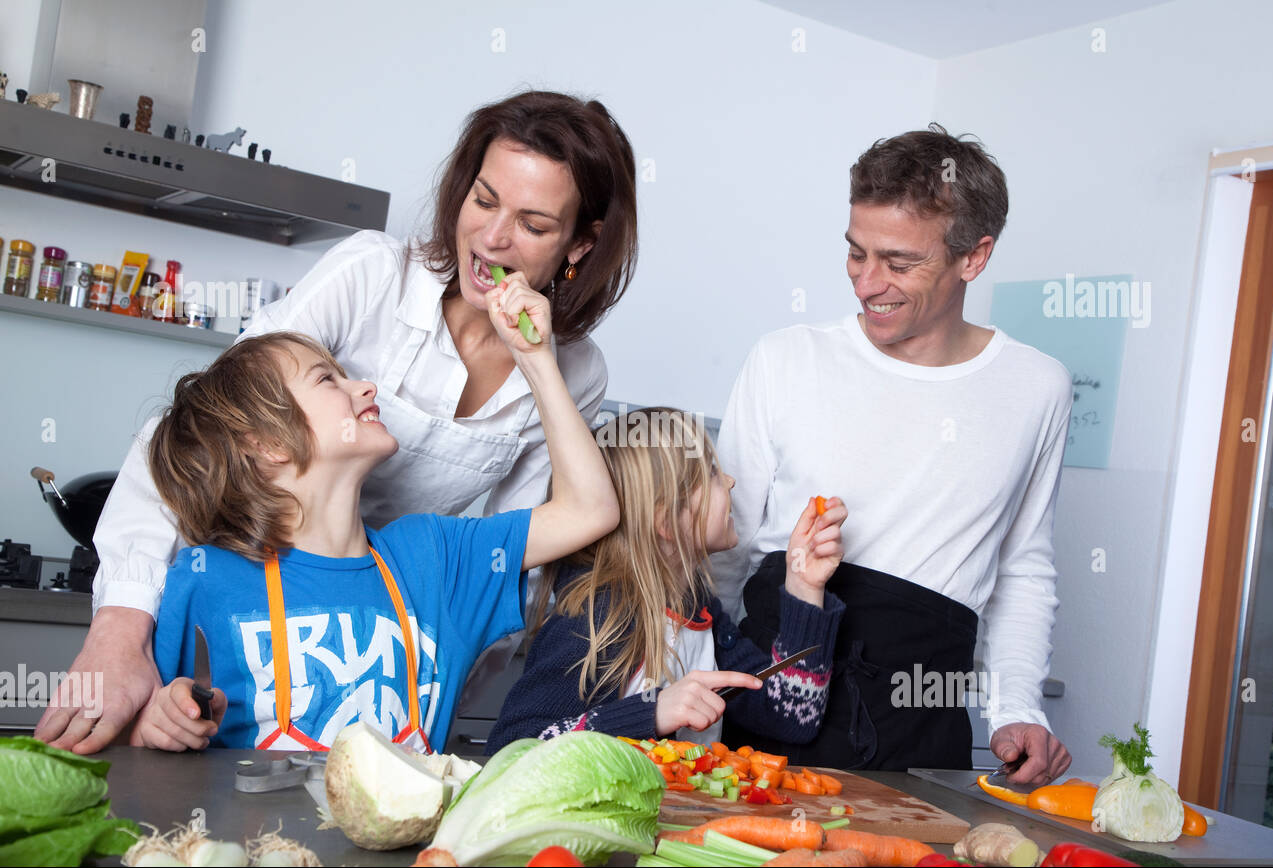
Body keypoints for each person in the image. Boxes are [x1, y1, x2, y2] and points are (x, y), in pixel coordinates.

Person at [38, 90, 639, 754]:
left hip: (392, 608)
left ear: (581, 243)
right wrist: (119, 633)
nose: (493, 238)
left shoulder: (574, 374)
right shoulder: (372, 276)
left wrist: (424, 691)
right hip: (262, 579)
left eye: (533, 223)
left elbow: (514, 542)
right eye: (484, 200)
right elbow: (216, 415)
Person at [711, 124, 1073, 787]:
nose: (868, 283)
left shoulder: (1036, 388)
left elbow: (1023, 566)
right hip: (774, 691)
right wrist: (689, 690)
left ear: (975, 256)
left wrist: (1016, 707)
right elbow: (725, 547)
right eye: (856, 253)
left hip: (920, 712)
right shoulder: (786, 359)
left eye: (900, 263)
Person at [132, 317, 617, 751]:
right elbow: (144, 738)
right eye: (327, 379)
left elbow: (590, 509)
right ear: (267, 443)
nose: (365, 387)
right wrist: (159, 723)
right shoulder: (204, 578)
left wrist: (535, 358)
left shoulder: (435, 558)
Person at [485, 408, 847, 754]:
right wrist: (651, 712)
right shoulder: (597, 619)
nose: (731, 481)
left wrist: (804, 586)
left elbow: (790, 716)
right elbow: (516, 747)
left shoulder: (697, 608)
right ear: (666, 520)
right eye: (711, 473)